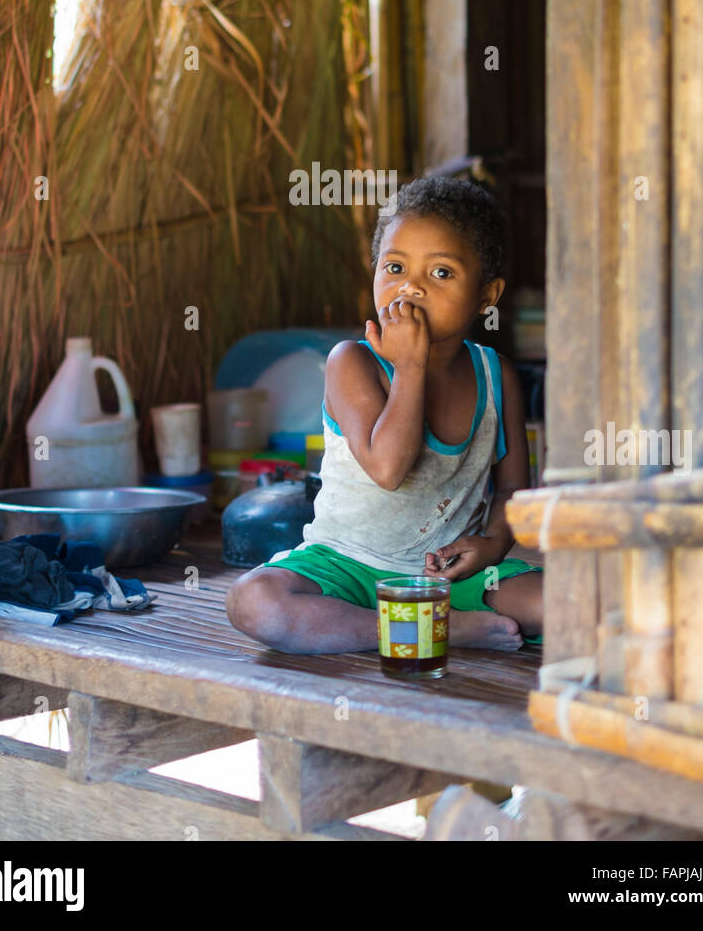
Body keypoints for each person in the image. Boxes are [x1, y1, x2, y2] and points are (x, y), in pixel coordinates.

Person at [225, 176, 543, 655]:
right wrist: (411, 365)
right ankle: (441, 629)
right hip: (345, 568)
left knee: (567, 604)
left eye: (441, 273)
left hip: (449, 576)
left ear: (487, 294)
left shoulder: (496, 376)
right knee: (254, 602)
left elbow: (512, 489)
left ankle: (424, 620)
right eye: (395, 266)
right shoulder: (350, 362)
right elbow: (388, 469)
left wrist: (494, 544)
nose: (410, 287)